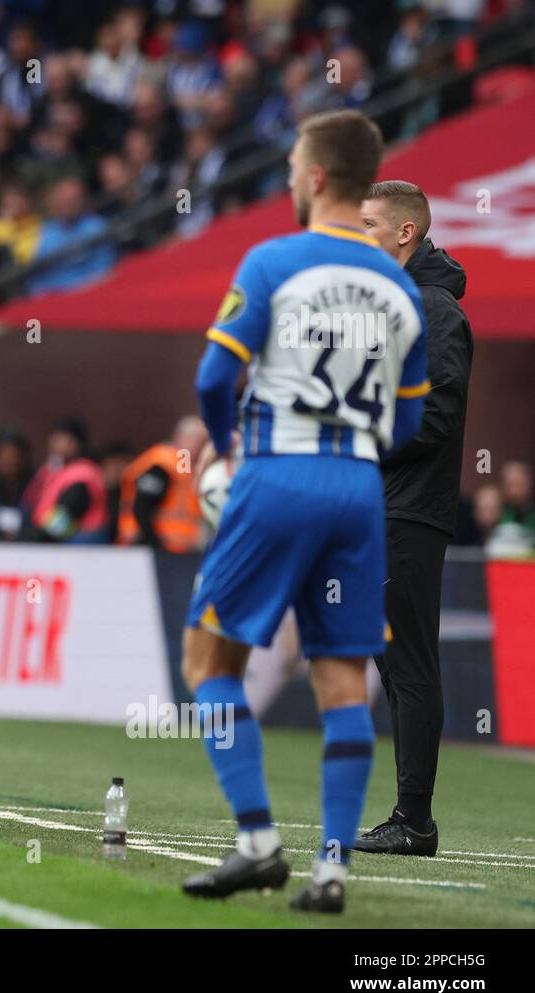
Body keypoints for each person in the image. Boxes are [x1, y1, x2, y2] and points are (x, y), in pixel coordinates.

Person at [180, 110, 428, 914]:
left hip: (277, 474)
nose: (287, 178)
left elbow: (216, 378)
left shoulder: (276, 259)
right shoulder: (401, 285)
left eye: (291, 166)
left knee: (208, 664)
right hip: (359, 489)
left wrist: (226, 452)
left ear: (317, 177)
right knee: (344, 682)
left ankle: (256, 842)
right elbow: (413, 422)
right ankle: (331, 868)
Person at [356, 180, 473, 856]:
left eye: (369, 225)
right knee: (395, 665)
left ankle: (416, 820)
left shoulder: (433, 310)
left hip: (409, 512)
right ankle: (409, 814)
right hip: (381, 510)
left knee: (410, 664)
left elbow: (434, 416)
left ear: (405, 233)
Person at [115, 416, 207, 553]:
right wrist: (156, 545)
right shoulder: (163, 465)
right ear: (184, 438)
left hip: (175, 549)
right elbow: (142, 507)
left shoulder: (184, 466)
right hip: (148, 548)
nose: (203, 448)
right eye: (201, 442)